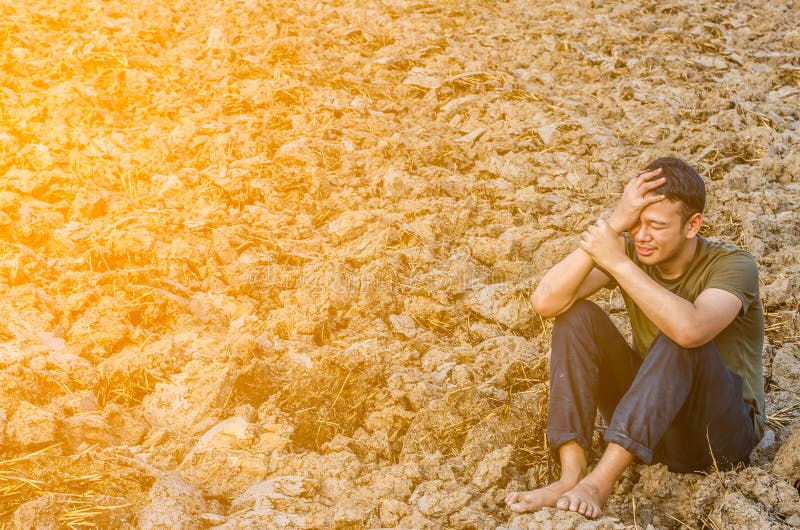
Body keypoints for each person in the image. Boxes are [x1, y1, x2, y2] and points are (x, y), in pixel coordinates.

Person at [504, 157, 765, 519]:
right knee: (576, 317)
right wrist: (612, 227)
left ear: (693, 225)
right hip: (653, 426)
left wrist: (621, 264)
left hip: (717, 438)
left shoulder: (734, 265)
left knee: (680, 335)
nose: (641, 236)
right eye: (636, 223)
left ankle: (599, 482)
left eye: (656, 226)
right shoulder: (631, 248)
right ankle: (571, 475)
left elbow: (691, 329)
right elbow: (546, 301)